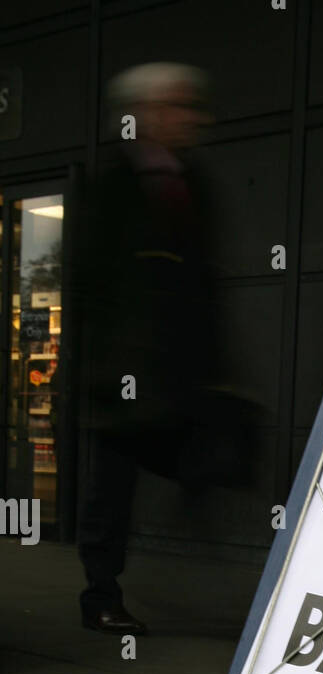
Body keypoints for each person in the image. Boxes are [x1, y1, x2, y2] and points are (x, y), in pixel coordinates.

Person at [76, 63, 220, 634]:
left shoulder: (194, 182)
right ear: (146, 114)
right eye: (179, 107)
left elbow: (204, 282)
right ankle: (101, 594)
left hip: (182, 368)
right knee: (112, 490)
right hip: (123, 374)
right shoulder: (112, 185)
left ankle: (191, 578)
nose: (192, 118)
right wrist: (110, 367)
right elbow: (90, 283)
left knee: (203, 465)